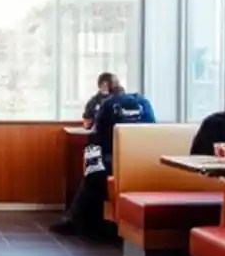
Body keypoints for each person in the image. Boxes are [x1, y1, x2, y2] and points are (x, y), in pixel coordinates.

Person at [52, 89, 156, 237]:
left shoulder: (107, 105)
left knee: (93, 173)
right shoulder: (143, 104)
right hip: (148, 163)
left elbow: (96, 137)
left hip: (111, 162)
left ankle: (76, 220)